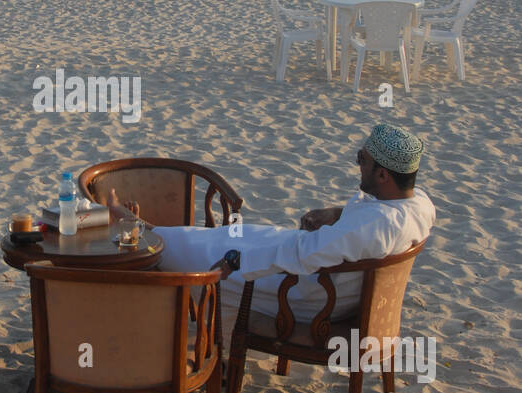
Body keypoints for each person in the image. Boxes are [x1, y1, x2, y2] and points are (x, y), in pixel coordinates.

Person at [110, 124, 435, 329]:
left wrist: (237, 262)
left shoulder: (370, 226)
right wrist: (335, 214)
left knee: (210, 256)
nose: (357, 165)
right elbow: (358, 227)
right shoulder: (418, 205)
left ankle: (140, 237)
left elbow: (305, 253)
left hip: (308, 295)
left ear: (383, 175)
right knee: (232, 234)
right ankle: (148, 230)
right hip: (328, 282)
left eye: (362, 160)